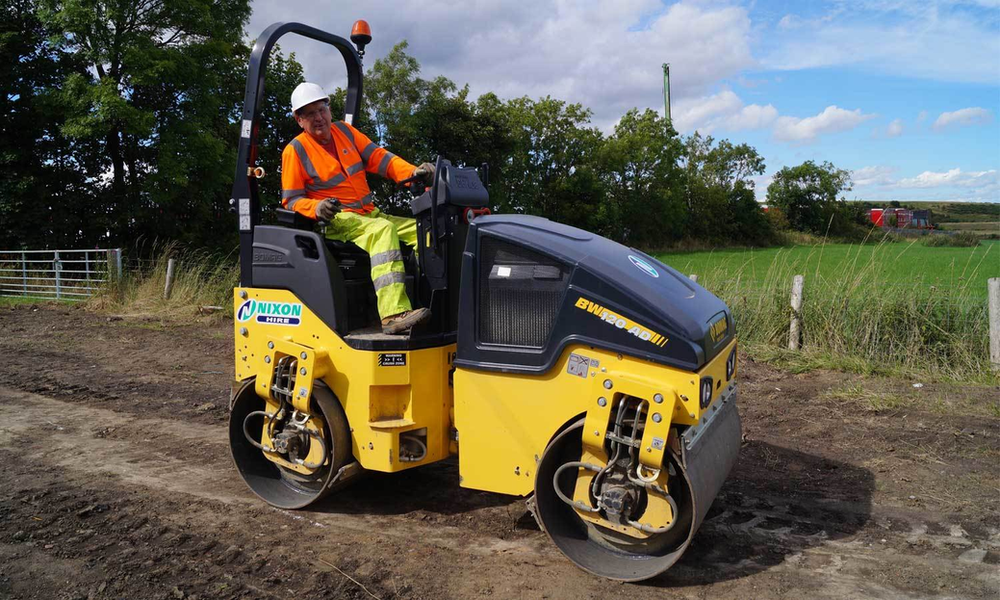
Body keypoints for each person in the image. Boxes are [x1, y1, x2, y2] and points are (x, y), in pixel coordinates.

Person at [281, 82, 434, 335]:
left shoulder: (345, 132)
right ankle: (393, 314)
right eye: (310, 114)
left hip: (368, 214)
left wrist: (413, 173)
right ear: (299, 120)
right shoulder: (295, 151)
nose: (318, 117)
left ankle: (432, 306)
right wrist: (317, 207)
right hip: (337, 219)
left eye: (321, 110)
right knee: (382, 230)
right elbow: (292, 200)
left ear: (329, 109)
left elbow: (380, 158)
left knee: (426, 231)